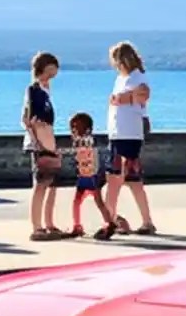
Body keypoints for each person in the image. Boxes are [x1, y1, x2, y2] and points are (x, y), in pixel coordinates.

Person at [104, 41, 156, 235]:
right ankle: (118, 218)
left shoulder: (138, 77)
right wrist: (124, 98)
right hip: (118, 133)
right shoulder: (121, 79)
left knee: (123, 178)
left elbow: (143, 95)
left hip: (129, 134)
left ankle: (116, 220)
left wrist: (123, 99)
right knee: (122, 179)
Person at [22, 51, 66, 241]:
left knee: (52, 185)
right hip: (41, 145)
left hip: (48, 143)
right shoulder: (35, 90)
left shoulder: (45, 92)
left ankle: (49, 223)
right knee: (41, 185)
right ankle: (37, 226)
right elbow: (30, 120)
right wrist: (39, 143)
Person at [65, 112, 117, 240]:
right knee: (80, 201)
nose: (73, 130)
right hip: (85, 175)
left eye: (75, 126)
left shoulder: (85, 140)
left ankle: (108, 223)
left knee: (96, 201)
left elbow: (87, 154)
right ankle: (79, 225)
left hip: (91, 175)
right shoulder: (84, 140)